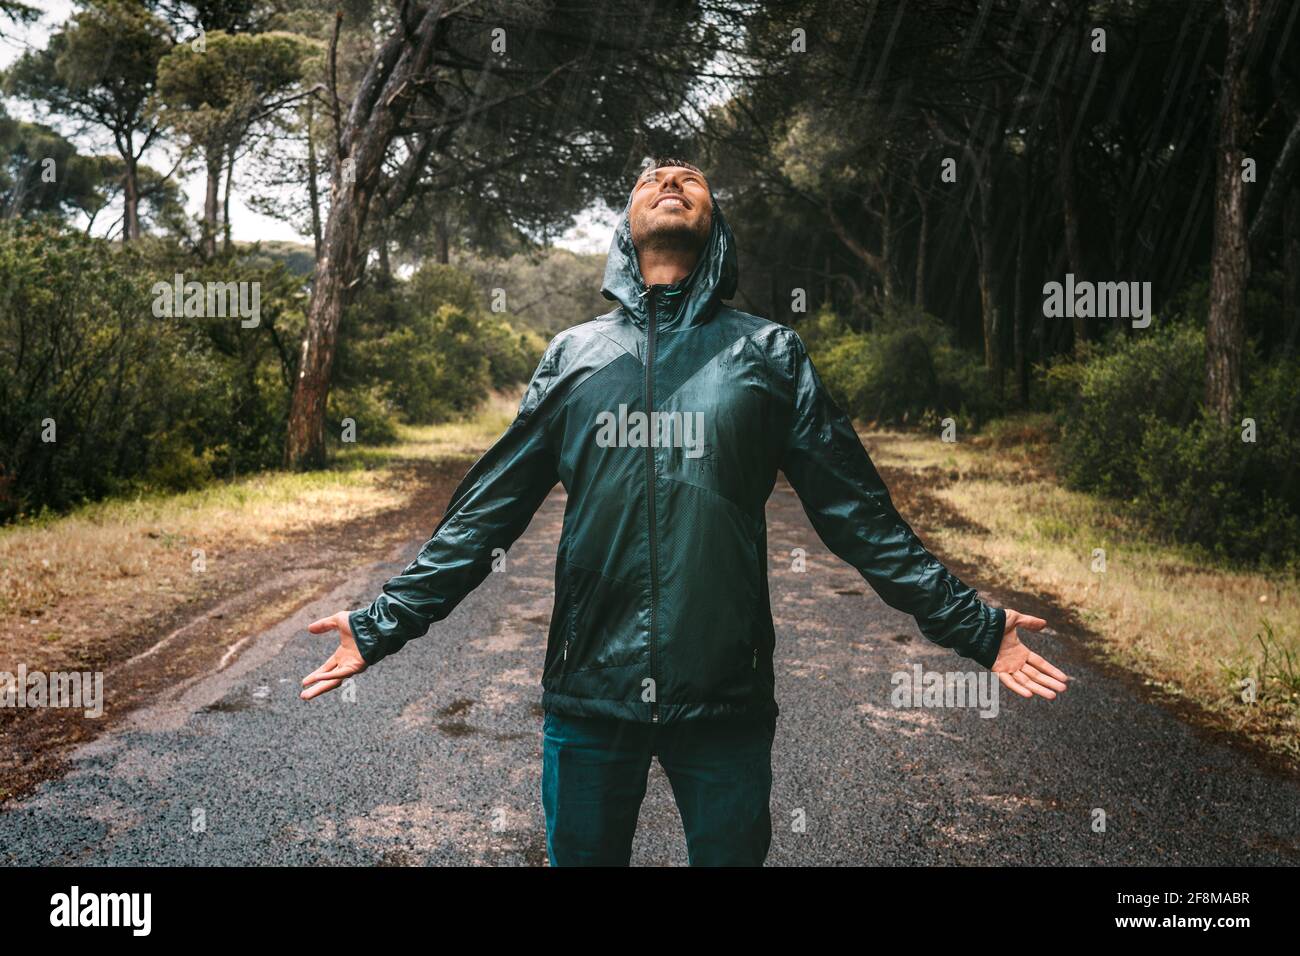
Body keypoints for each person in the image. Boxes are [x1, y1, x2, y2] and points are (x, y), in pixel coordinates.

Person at [300, 158, 1070, 866]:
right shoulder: (573, 356)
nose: (670, 180)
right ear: (624, 228)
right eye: (650, 180)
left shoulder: (769, 354)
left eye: (690, 179)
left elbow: (860, 517)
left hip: (726, 698)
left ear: (715, 225)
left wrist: (975, 626)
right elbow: (484, 515)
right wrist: (380, 623)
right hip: (590, 696)